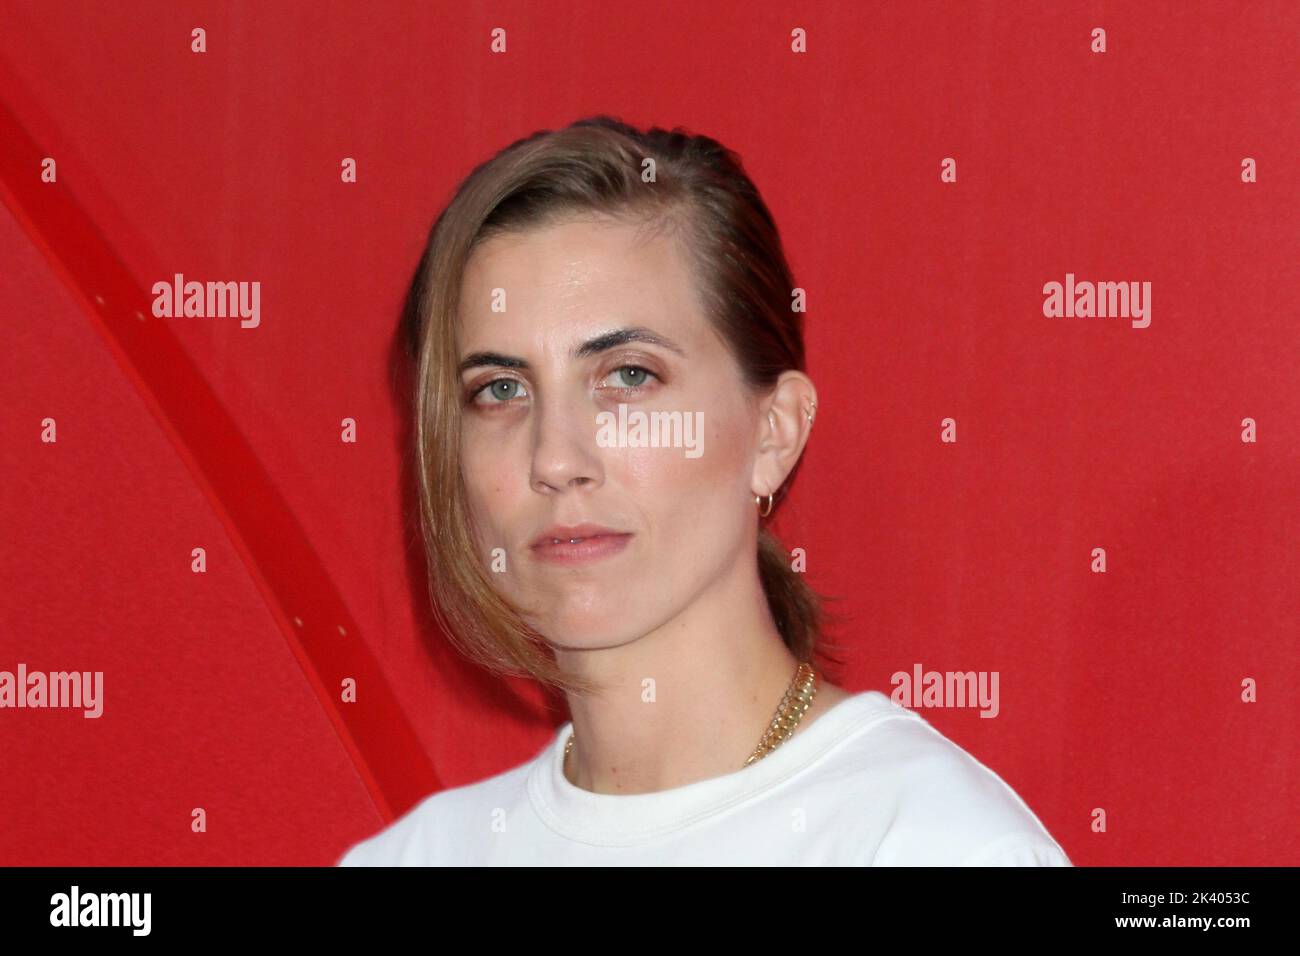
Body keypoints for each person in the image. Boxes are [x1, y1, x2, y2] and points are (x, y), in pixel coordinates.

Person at [337, 116, 1071, 866]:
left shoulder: (927, 845)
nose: (555, 459)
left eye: (628, 375)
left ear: (774, 433)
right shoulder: (416, 857)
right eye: (500, 389)